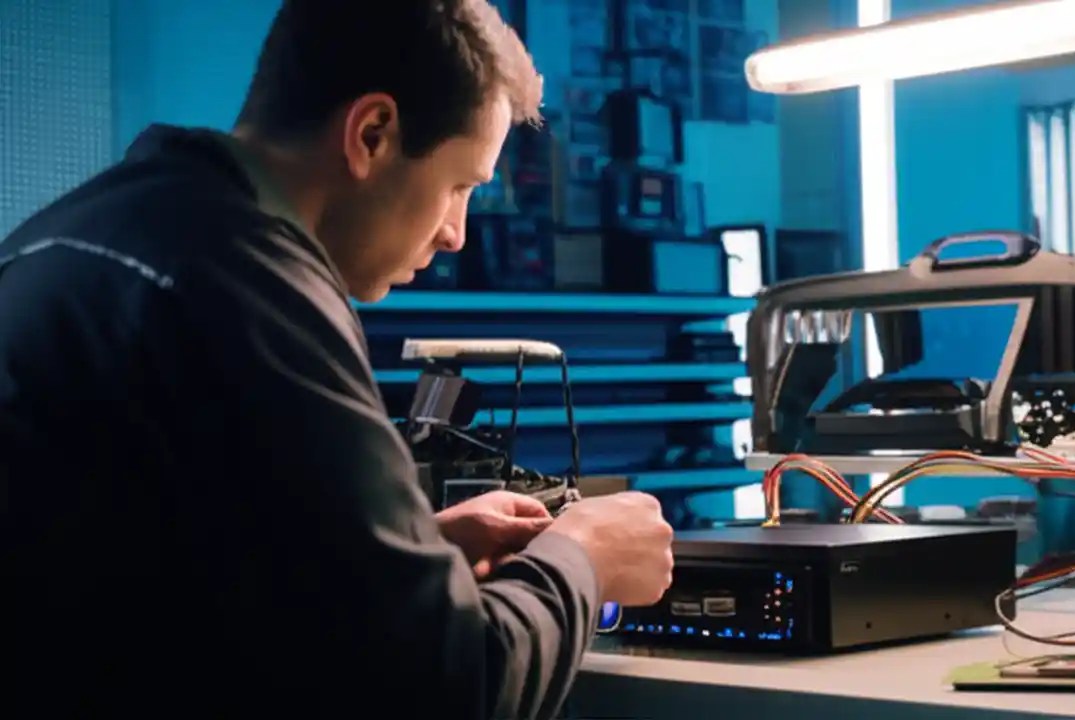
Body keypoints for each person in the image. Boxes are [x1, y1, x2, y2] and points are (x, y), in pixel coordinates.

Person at [0, 1, 674, 717]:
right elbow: (445, 688)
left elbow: (145, 588)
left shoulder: (73, 238)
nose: (456, 235)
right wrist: (582, 557)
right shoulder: (247, 290)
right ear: (373, 134)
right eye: (459, 186)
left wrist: (404, 552)